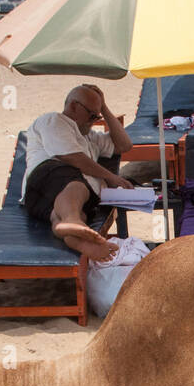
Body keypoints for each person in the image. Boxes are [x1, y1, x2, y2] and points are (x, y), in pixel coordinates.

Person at [22, 85, 134, 263]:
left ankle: (65, 227)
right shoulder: (54, 120)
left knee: (63, 216)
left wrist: (103, 107)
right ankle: (72, 220)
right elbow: (72, 157)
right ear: (74, 106)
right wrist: (110, 176)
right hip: (46, 179)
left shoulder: (91, 137)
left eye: (97, 116)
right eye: (91, 115)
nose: (94, 120)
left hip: (46, 202)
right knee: (76, 184)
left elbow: (125, 145)